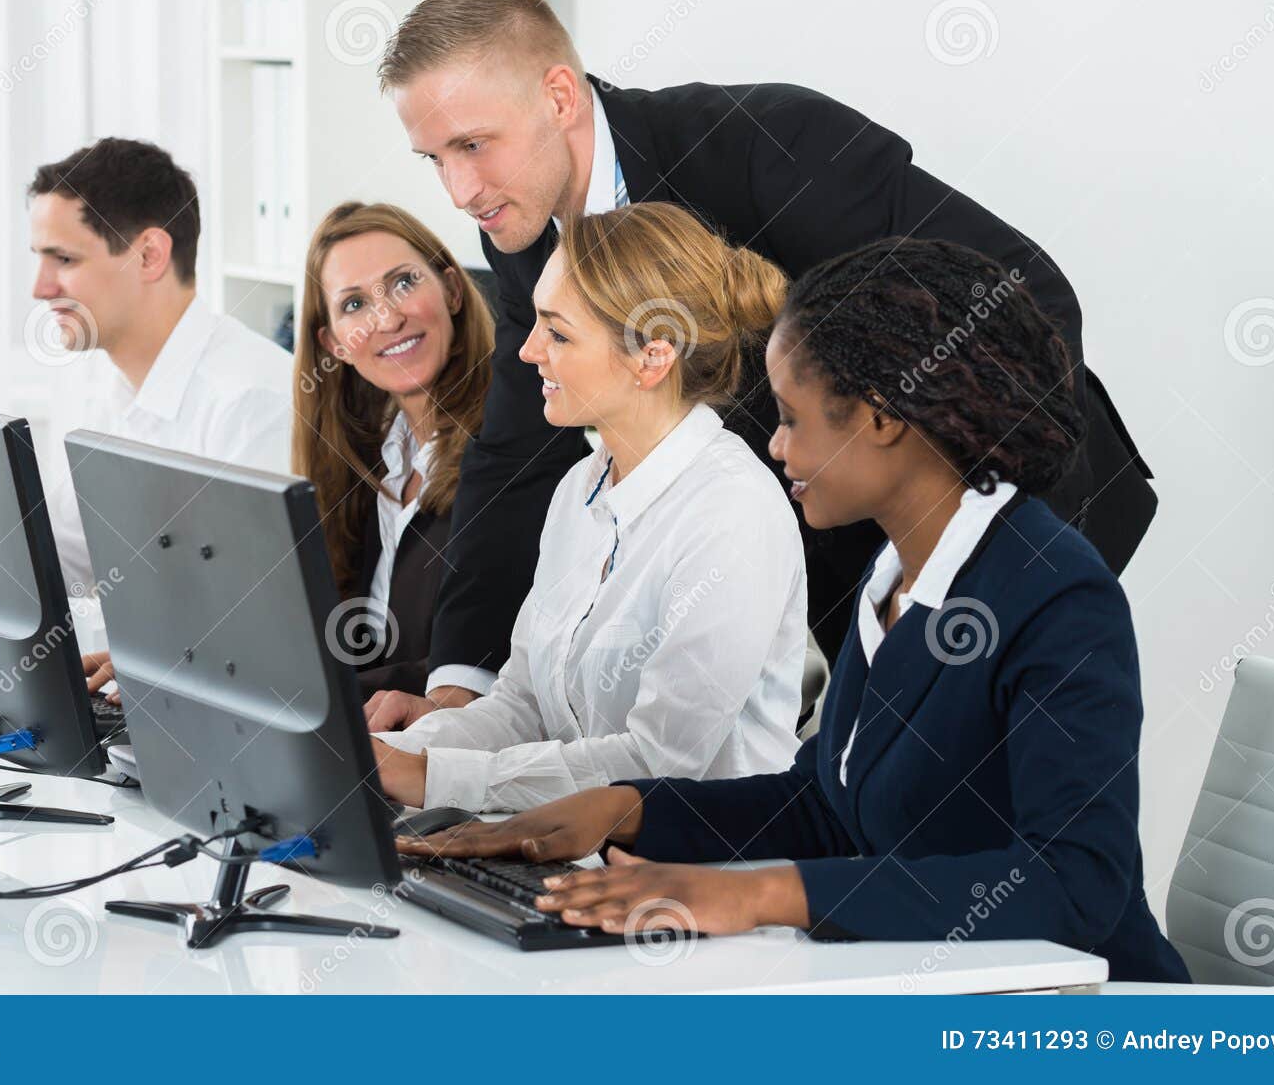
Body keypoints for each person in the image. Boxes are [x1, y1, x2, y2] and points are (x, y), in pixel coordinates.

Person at [398, 238, 1189, 984]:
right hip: (929, 987)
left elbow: (1075, 882)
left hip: (1093, 1015)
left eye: (792, 418)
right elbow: (822, 805)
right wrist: (622, 808)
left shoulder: (1055, 593)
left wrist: (761, 895)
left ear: (881, 419)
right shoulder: (894, 572)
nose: (776, 447)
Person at [379, 0, 1155, 716]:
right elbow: (517, 457)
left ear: (557, 96)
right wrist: (460, 686)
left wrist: (939, 566)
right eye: (435, 159)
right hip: (838, 572)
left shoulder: (762, 145)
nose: (458, 191)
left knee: (1003, 820)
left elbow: (1022, 299)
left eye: (473, 146)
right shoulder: (523, 238)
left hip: (1022, 513)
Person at [369, 203, 810, 814]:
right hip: (565, 853)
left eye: (558, 332)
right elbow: (522, 703)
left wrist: (435, 778)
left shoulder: (732, 513)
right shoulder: (580, 488)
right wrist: (390, 755)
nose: (526, 352)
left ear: (651, 357)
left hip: (689, 882)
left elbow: (656, 765)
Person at [0, 138, 294, 640]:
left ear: (150, 255)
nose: (41, 288)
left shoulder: (252, 402)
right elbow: (61, 557)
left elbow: (253, 618)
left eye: (64, 259)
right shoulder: (114, 396)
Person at [291, 201, 494, 696]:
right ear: (334, 344)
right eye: (354, 304)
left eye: (403, 282)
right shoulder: (370, 464)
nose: (387, 318)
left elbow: (486, 667)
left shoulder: (506, 456)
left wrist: (295, 690)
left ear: (450, 289)